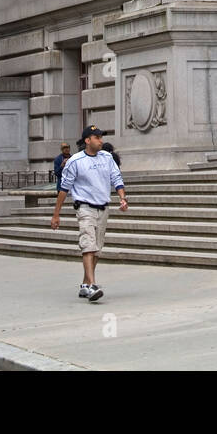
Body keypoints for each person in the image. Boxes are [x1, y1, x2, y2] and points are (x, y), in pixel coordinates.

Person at [50, 125, 127, 302]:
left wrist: (122, 198)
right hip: (85, 207)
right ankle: (92, 285)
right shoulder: (75, 161)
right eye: (97, 137)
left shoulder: (107, 158)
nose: (101, 140)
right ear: (87, 141)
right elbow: (64, 188)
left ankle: (85, 284)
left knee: (97, 248)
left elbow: (117, 178)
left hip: (103, 207)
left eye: (101, 137)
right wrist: (56, 214)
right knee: (88, 244)